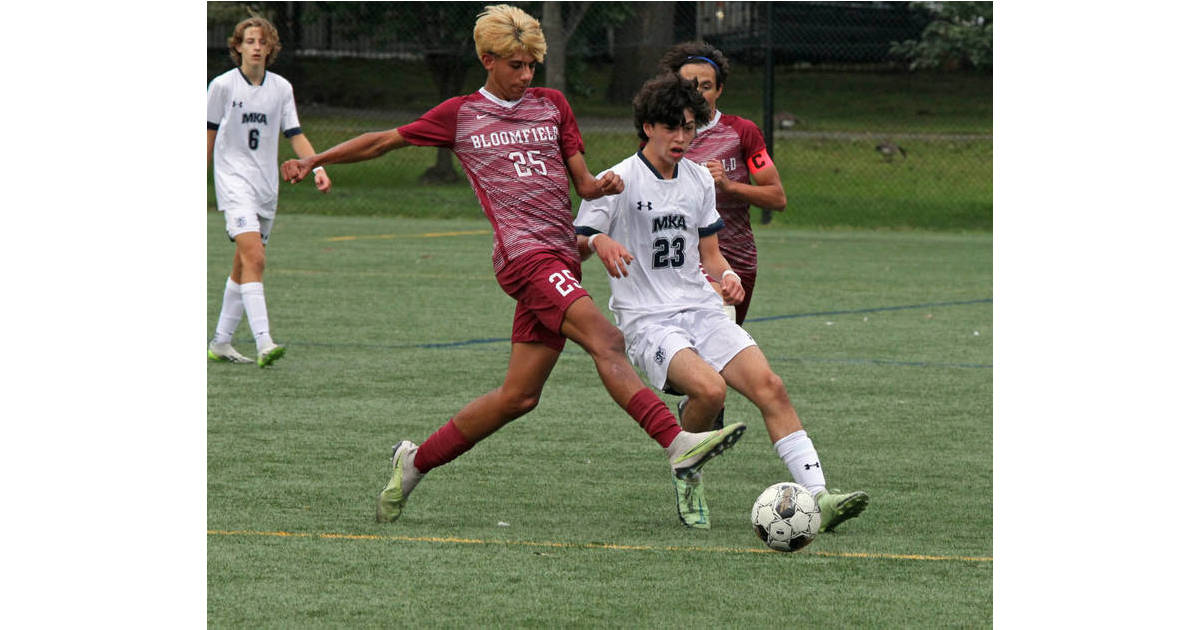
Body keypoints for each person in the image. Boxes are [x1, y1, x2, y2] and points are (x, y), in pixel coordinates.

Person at [279, 5, 746, 524]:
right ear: (488, 60)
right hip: (523, 258)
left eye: (532, 66)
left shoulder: (552, 105)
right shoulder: (460, 114)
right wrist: (314, 159)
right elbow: (383, 142)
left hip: (561, 258)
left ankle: (414, 462)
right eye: (516, 65)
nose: (527, 76)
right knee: (606, 340)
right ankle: (676, 439)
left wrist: (602, 190)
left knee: (519, 397)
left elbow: (585, 186)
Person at [574, 73, 867, 531]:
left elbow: (710, 255)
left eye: (690, 127)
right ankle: (686, 466)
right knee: (710, 390)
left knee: (770, 386)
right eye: (672, 127)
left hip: (702, 308)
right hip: (649, 320)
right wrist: (599, 244)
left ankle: (820, 498)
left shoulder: (698, 180)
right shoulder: (619, 179)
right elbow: (578, 240)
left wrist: (727, 276)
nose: (682, 137)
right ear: (647, 126)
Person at [207, 16, 331, 367]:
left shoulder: (281, 88)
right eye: (249, 41)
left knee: (243, 263)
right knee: (256, 258)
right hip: (233, 183)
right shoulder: (222, 87)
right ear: (237, 47)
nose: (256, 47)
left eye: (262, 42)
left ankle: (221, 341)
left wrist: (317, 166)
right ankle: (264, 342)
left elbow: (295, 135)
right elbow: (208, 137)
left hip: (265, 189)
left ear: (271, 47)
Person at [657, 41, 786, 327]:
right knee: (690, 349)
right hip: (683, 258)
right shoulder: (661, 133)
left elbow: (777, 197)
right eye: (689, 85)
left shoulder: (742, 132)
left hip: (736, 258)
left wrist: (729, 186)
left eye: (706, 85)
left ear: (719, 90)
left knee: (725, 351)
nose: (697, 93)